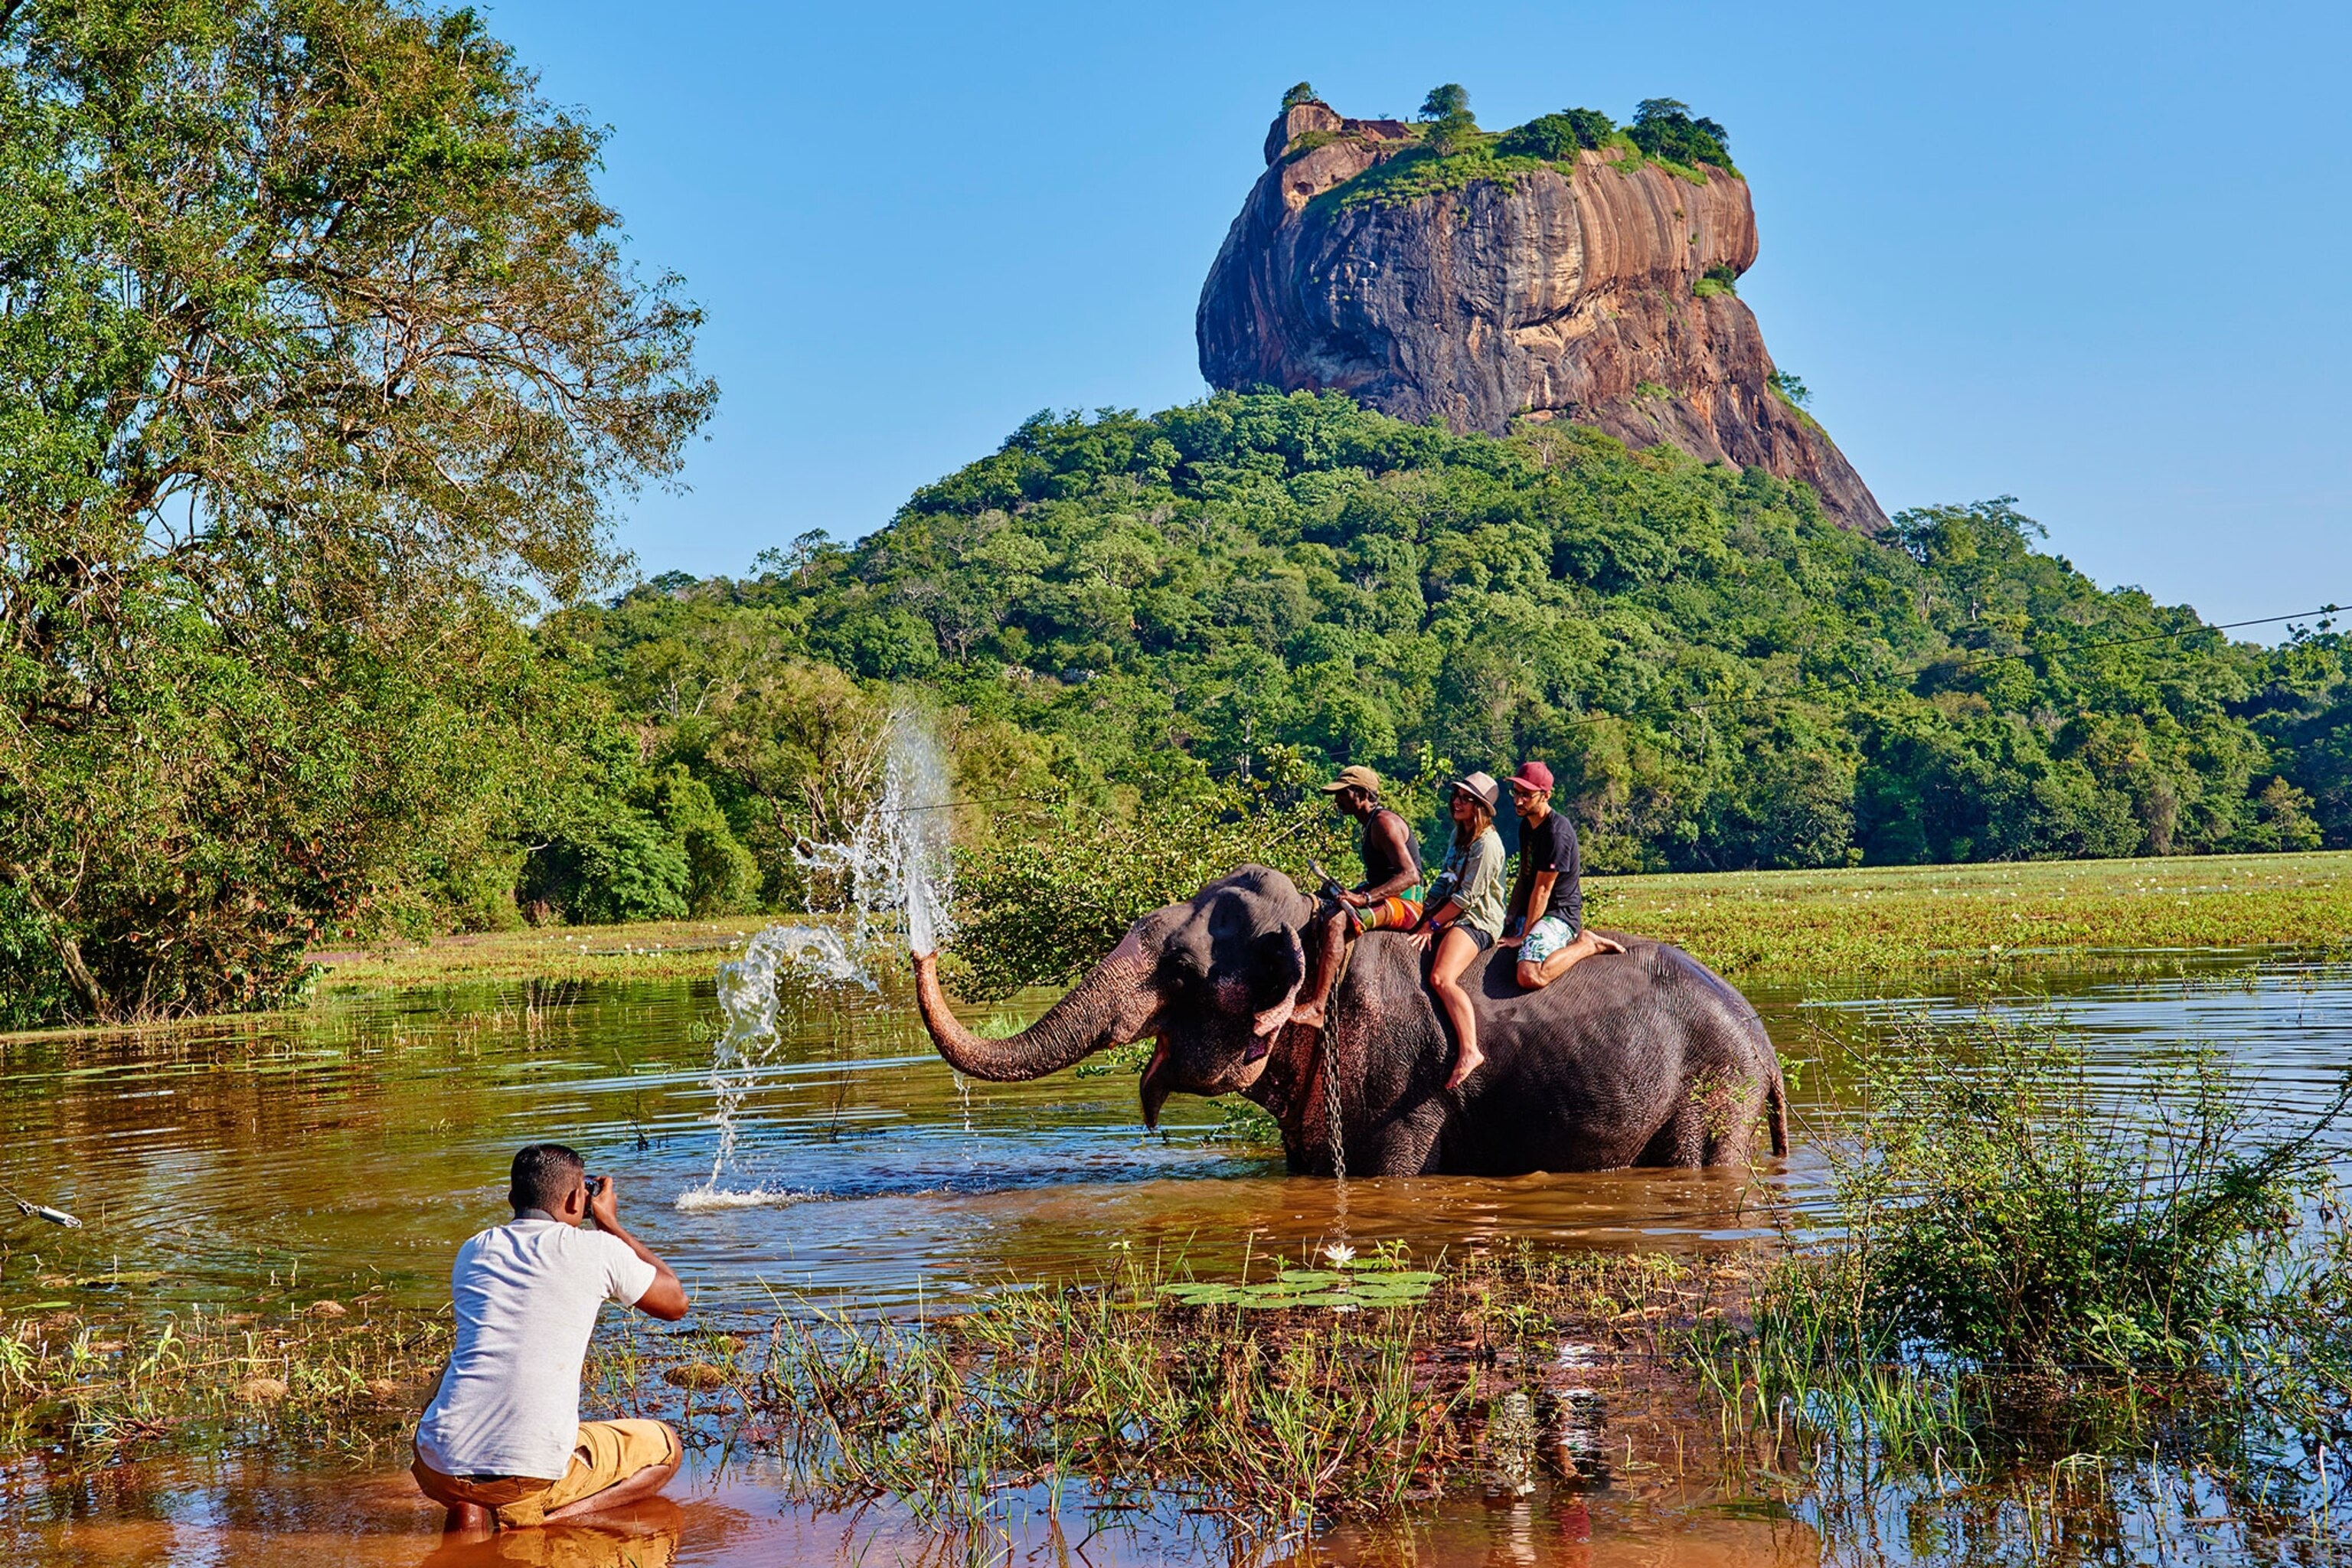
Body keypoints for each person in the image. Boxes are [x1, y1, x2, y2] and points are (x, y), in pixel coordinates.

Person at [413, 1143, 691, 1534]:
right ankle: (540, 1518)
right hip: (525, 1472)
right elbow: (675, 1302)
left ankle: (469, 1510)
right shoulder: (597, 1249)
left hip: (436, 1463)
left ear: (512, 1199)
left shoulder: (474, 1249)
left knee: (469, 1369)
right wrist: (609, 1222)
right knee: (666, 1448)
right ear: (579, 1199)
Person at [1292, 764, 1423, 1031]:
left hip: (1406, 902)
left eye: (1343, 794)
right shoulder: (1369, 823)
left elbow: (1410, 875)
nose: (1337, 800)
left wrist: (1364, 899)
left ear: (1362, 794)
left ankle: (1319, 1006)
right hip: (1382, 893)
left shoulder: (1384, 823)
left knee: (1338, 922)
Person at [1409, 772, 1509, 1091]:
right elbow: (1446, 878)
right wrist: (1425, 906)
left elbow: (1468, 897)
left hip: (1476, 920)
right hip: (1453, 911)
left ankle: (1469, 1050)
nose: (1457, 801)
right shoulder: (1459, 836)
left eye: (1466, 798)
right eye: (1456, 795)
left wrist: (1432, 924)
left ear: (1479, 806)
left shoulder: (1487, 844)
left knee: (1441, 977)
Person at [1501, 760, 1623, 989]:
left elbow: (1543, 890)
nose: (1518, 801)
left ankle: (1587, 944)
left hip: (1558, 913)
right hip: (1531, 909)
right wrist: (1509, 917)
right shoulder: (1526, 825)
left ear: (1546, 795)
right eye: (1516, 793)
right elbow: (1524, 876)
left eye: (1526, 795)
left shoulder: (1557, 834)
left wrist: (1524, 937)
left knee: (1529, 975)